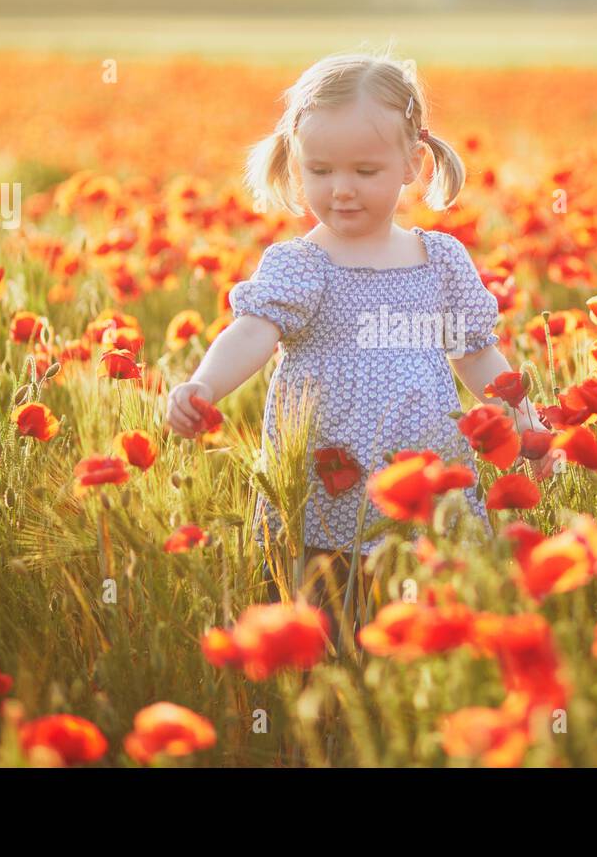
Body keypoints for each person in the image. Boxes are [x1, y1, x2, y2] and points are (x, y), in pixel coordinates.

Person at [166, 51, 554, 630]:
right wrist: (203, 385)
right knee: (326, 623)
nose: (341, 190)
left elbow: (475, 352)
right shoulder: (305, 265)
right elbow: (251, 332)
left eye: (364, 172)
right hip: (328, 486)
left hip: (427, 483)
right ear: (297, 164)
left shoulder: (440, 260)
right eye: (320, 171)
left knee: (427, 615)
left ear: (411, 163)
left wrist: (522, 419)